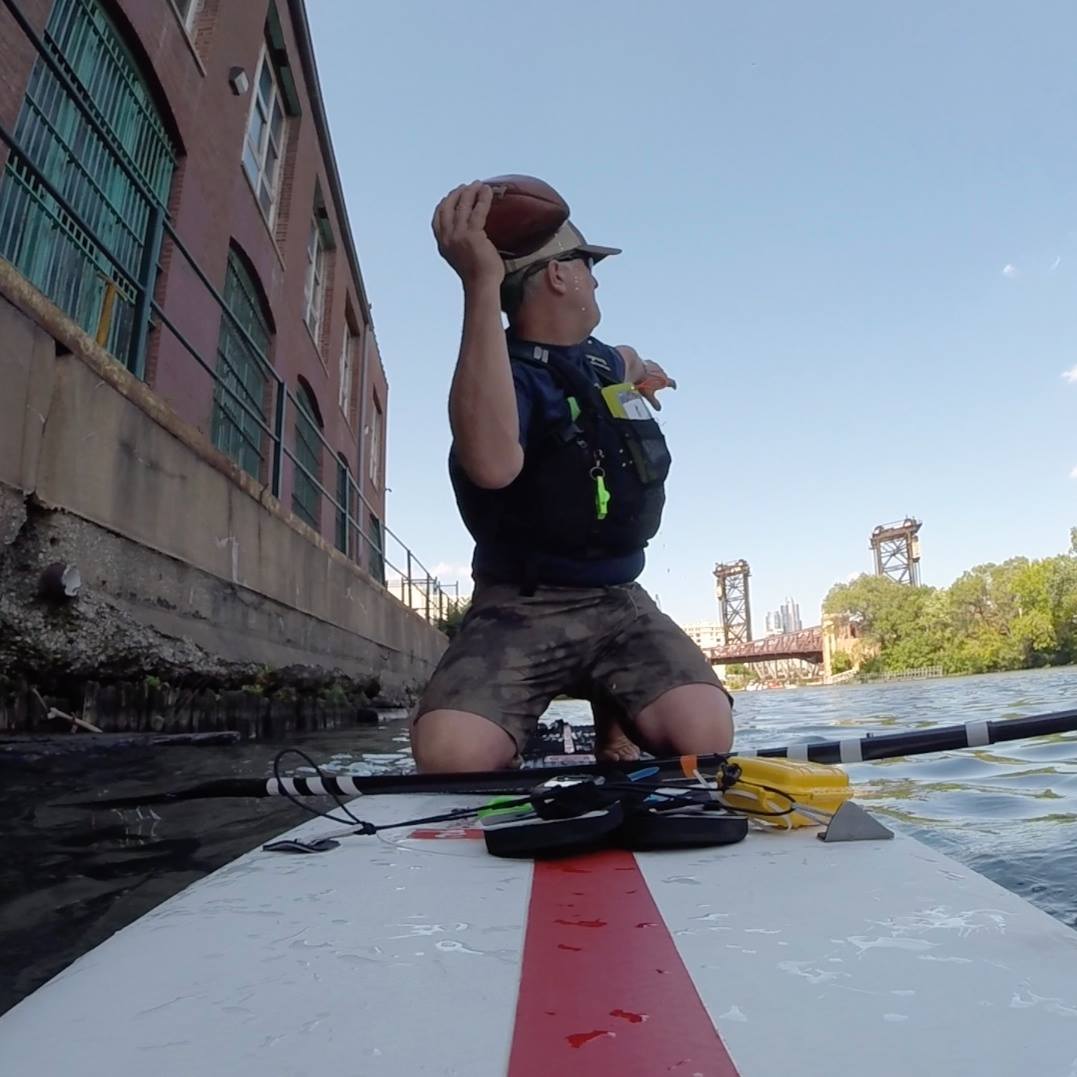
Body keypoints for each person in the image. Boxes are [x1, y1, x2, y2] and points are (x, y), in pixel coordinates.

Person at [410, 179, 733, 772]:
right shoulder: (501, 376)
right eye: (588, 265)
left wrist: (642, 372)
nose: (596, 278)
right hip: (521, 605)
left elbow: (625, 357)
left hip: (618, 600)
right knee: (452, 758)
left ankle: (615, 718)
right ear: (559, 275)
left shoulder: (602, 359)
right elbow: (490, 463)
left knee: (705, 736)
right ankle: (515, 715)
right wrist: (479, 282)